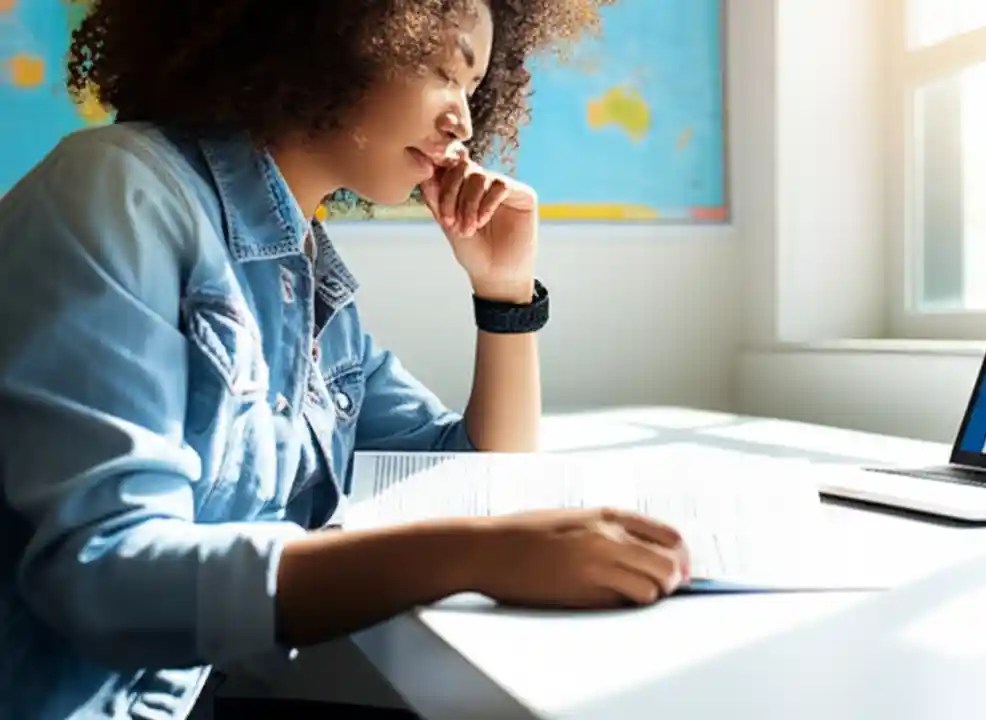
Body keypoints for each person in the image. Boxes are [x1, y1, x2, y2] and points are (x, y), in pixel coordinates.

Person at [0, 1, 691, 717]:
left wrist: (505, 295)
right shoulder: (118, 194)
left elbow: (483, 480)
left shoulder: (308, 280)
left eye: (474, 86)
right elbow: (105, 580)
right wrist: (473, 557)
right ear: (334, 34)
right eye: (442, 68)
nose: (465, 121)